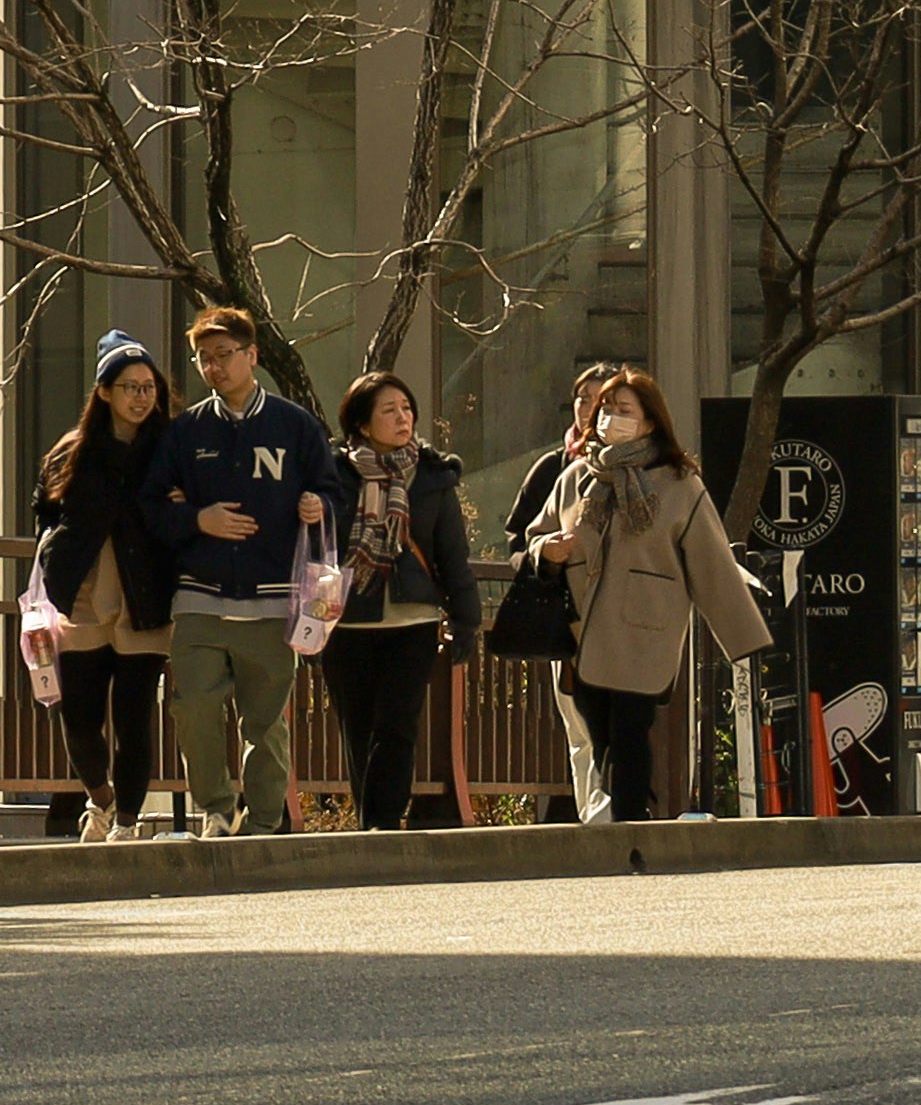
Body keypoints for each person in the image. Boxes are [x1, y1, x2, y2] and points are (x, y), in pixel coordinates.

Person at [519, 372, 769, 828]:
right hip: (583, 631)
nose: (612, 418)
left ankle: (630, 828)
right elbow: (534, 535)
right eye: (606, 410)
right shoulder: (576, 478)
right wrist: (544, 552)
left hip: (645, 628)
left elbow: (712, 562)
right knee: (601, 736)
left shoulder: (679, 483)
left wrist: (744, 640)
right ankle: (629, 812)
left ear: (651, 422)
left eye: (624, 410)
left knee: (630, 731)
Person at [141, 307, 334, 836]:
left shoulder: (293, 425)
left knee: (266, 722)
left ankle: (266, 822)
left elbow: (332, 487)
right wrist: (197, 518)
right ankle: (216, 807)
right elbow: (152, 505)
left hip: (274, 598)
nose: (214, 367)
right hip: (200, 596)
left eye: (224, 356)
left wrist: (318, 502)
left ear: (252, 356)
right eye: (204, 358)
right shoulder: (186, 431)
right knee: (194, 704)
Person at [28, 333, 176, 840]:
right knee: (78, 716)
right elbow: (44, 513)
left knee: (135, 719)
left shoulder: (167, 450)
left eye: (149, 386)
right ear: (104, 392)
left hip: (145, 598)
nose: (141, 396)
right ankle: (101, 799)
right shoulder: (73, 452)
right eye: (129, 386)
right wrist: (54, 557)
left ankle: (129, 822)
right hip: (83, 598)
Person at [319, 375, 479, 832]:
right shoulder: (333, 475)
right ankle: (370, 824)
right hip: (348, 622)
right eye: (389, 410)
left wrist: (466, 621)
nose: (402, 418)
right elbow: (317, 548)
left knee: (398, 725)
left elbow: (453, 555)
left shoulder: (432, 477)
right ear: (362, 424)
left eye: (406, 408)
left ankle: (383, 825)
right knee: (358, 728)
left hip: (413, 621)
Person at [500, 368, 633, 822]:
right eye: (581, 397)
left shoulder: (649, 470)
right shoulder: (558, 470)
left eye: (600, 399)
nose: (588, 407)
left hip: (626, 618)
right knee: (579, 724)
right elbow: (518, 538)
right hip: (570, 616)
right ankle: (595, 815)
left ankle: (628, 808)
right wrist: (545, 554)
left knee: (625, 722)